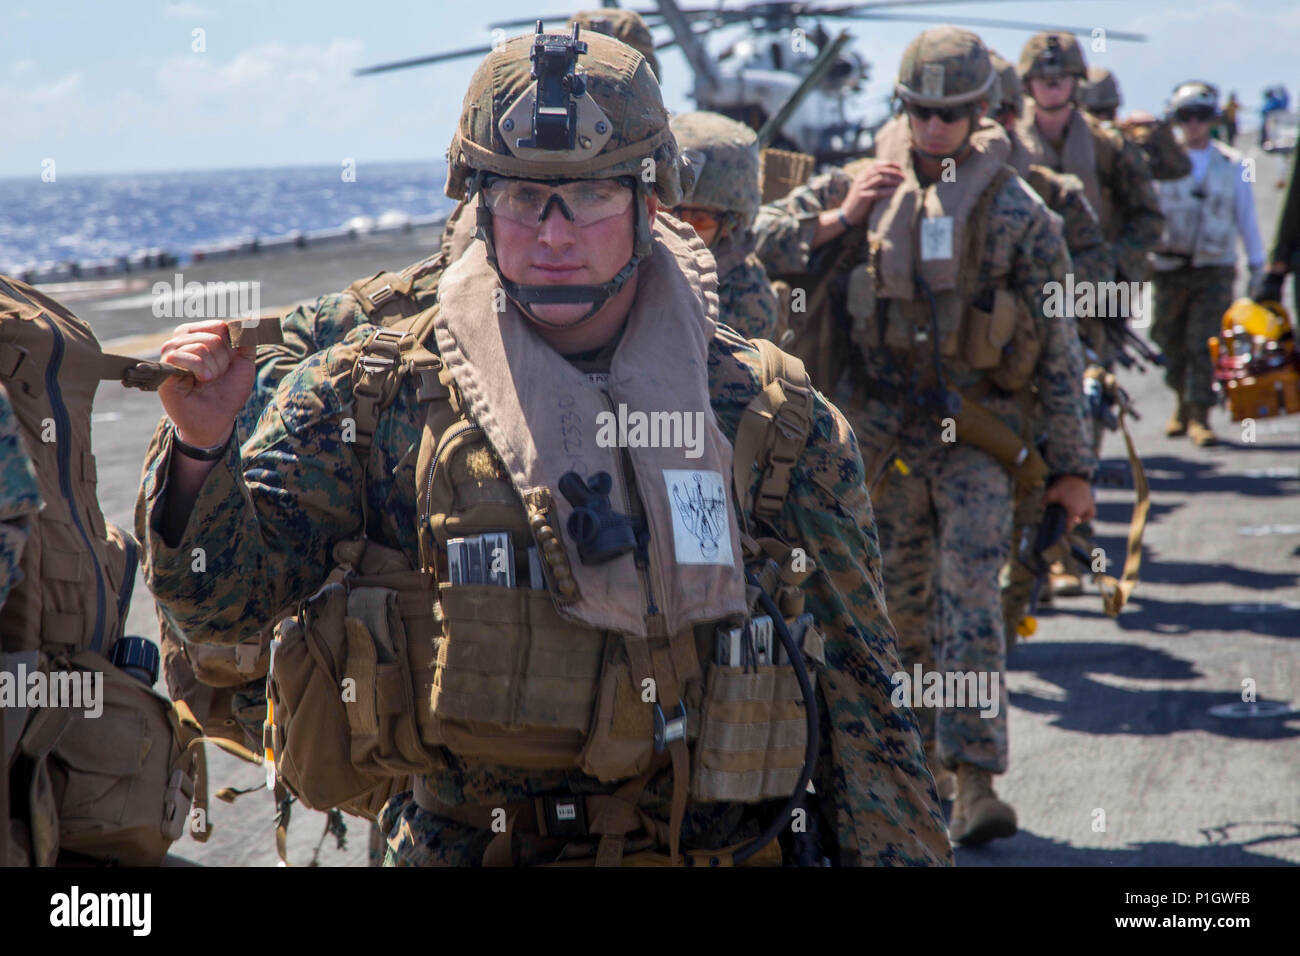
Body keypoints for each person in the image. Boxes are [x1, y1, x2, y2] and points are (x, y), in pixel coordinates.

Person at [137, 27, 952, 867]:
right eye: (523, 199)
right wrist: (202, 453)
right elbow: (223, 607)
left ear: (650, 202)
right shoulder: (372, 393)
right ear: (476, 207)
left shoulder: (776, 417)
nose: (553, 234)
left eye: (590, 197)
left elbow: (866, 702)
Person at [754, 27, 1096, 845]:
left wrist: (1073, 469)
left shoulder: (1020, 212)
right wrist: (842, 218)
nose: (935, 128)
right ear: (901, 109)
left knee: (968, 597)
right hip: (881, 432)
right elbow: (755, 236)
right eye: (920, 112)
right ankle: (922, 780)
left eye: (951, 113)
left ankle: (975, 778)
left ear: (980, 111)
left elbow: (1058, 348)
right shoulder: (862, 183)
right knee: (893, 610)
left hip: (981, 433)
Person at [1152, 81, 1265, 447]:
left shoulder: (1233, 165)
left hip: (1214, 266)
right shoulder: (1159, 165)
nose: (1194, 125)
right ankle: (1180, 403)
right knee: (1168, 339)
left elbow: (1246, 216)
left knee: (1205, 341)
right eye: (1187, 117)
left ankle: (1200, 414)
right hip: (1170, 267)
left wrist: (1257, 264)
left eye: (1201, 117)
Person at [1015, 32, 1164, 288]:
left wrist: (1112, 262)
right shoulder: (1010, 146)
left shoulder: (1109, 145)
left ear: (1077, 81)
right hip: (1028, 285)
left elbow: (1148, 218)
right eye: (1044, 78)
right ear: (1028, 83)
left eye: (1061, 78)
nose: (1053, 85)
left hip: (1094, 290)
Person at [669, 111, 783, 341]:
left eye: (699, 219)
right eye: (668, 212)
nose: (677, 227)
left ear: (730, 226)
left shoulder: (747, 303)